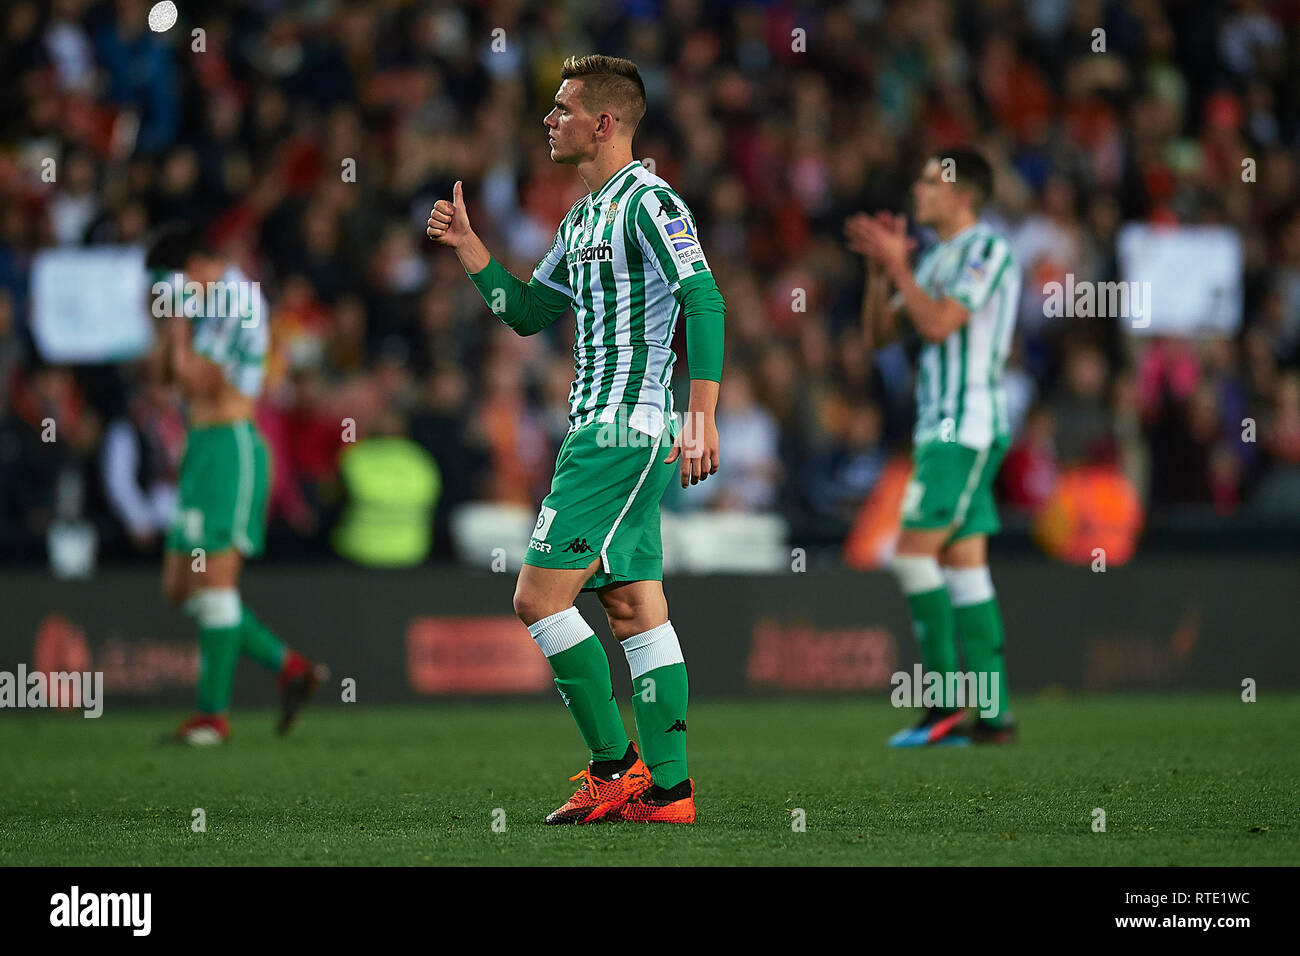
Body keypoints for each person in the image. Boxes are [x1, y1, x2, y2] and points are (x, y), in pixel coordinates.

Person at [426, 55, 725, 823]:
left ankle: (613, 767)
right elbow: (528, 312)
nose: (548, 120)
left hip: (624, 429)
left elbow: (704, 298)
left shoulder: (650, 202)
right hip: (596, 427)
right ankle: (669, 790)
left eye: (562, 109)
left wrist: (702, 413)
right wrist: (471, 251)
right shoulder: (582, 216)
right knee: (631, 605)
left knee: (537, 597)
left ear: (604, 122)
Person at [846, 149, 1021, 746]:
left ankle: (944, 704)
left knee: (913, 555)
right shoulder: (939, 257)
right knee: (964, 567)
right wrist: (881, 273)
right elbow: (879, 334)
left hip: (964, 425)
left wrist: (900, 269)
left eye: (929, 181)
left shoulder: (988, 250)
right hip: (939, 428)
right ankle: (994, 717)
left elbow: (942, 323)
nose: (918, 190)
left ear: (963, 194)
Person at [146, 225, 326, 745]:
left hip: (232, 449)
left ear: (192, 268)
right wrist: (170, 331)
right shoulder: (202, 304)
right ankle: (290, 667)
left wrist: (177, 323)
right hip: (201, 450)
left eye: (167, 282)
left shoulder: (236, 299)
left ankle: (212, 717)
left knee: (217, 585)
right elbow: (164, 378)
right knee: (180, 587)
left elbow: (197, 381)